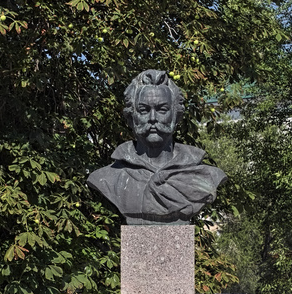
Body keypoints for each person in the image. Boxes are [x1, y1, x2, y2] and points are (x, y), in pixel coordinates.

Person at [87, 70, 227, 224]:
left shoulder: (205, 175)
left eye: (162, 109)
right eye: (143, 110)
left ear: (176, 115)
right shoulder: (108, 178)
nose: (153, 118)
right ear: (131, 118)